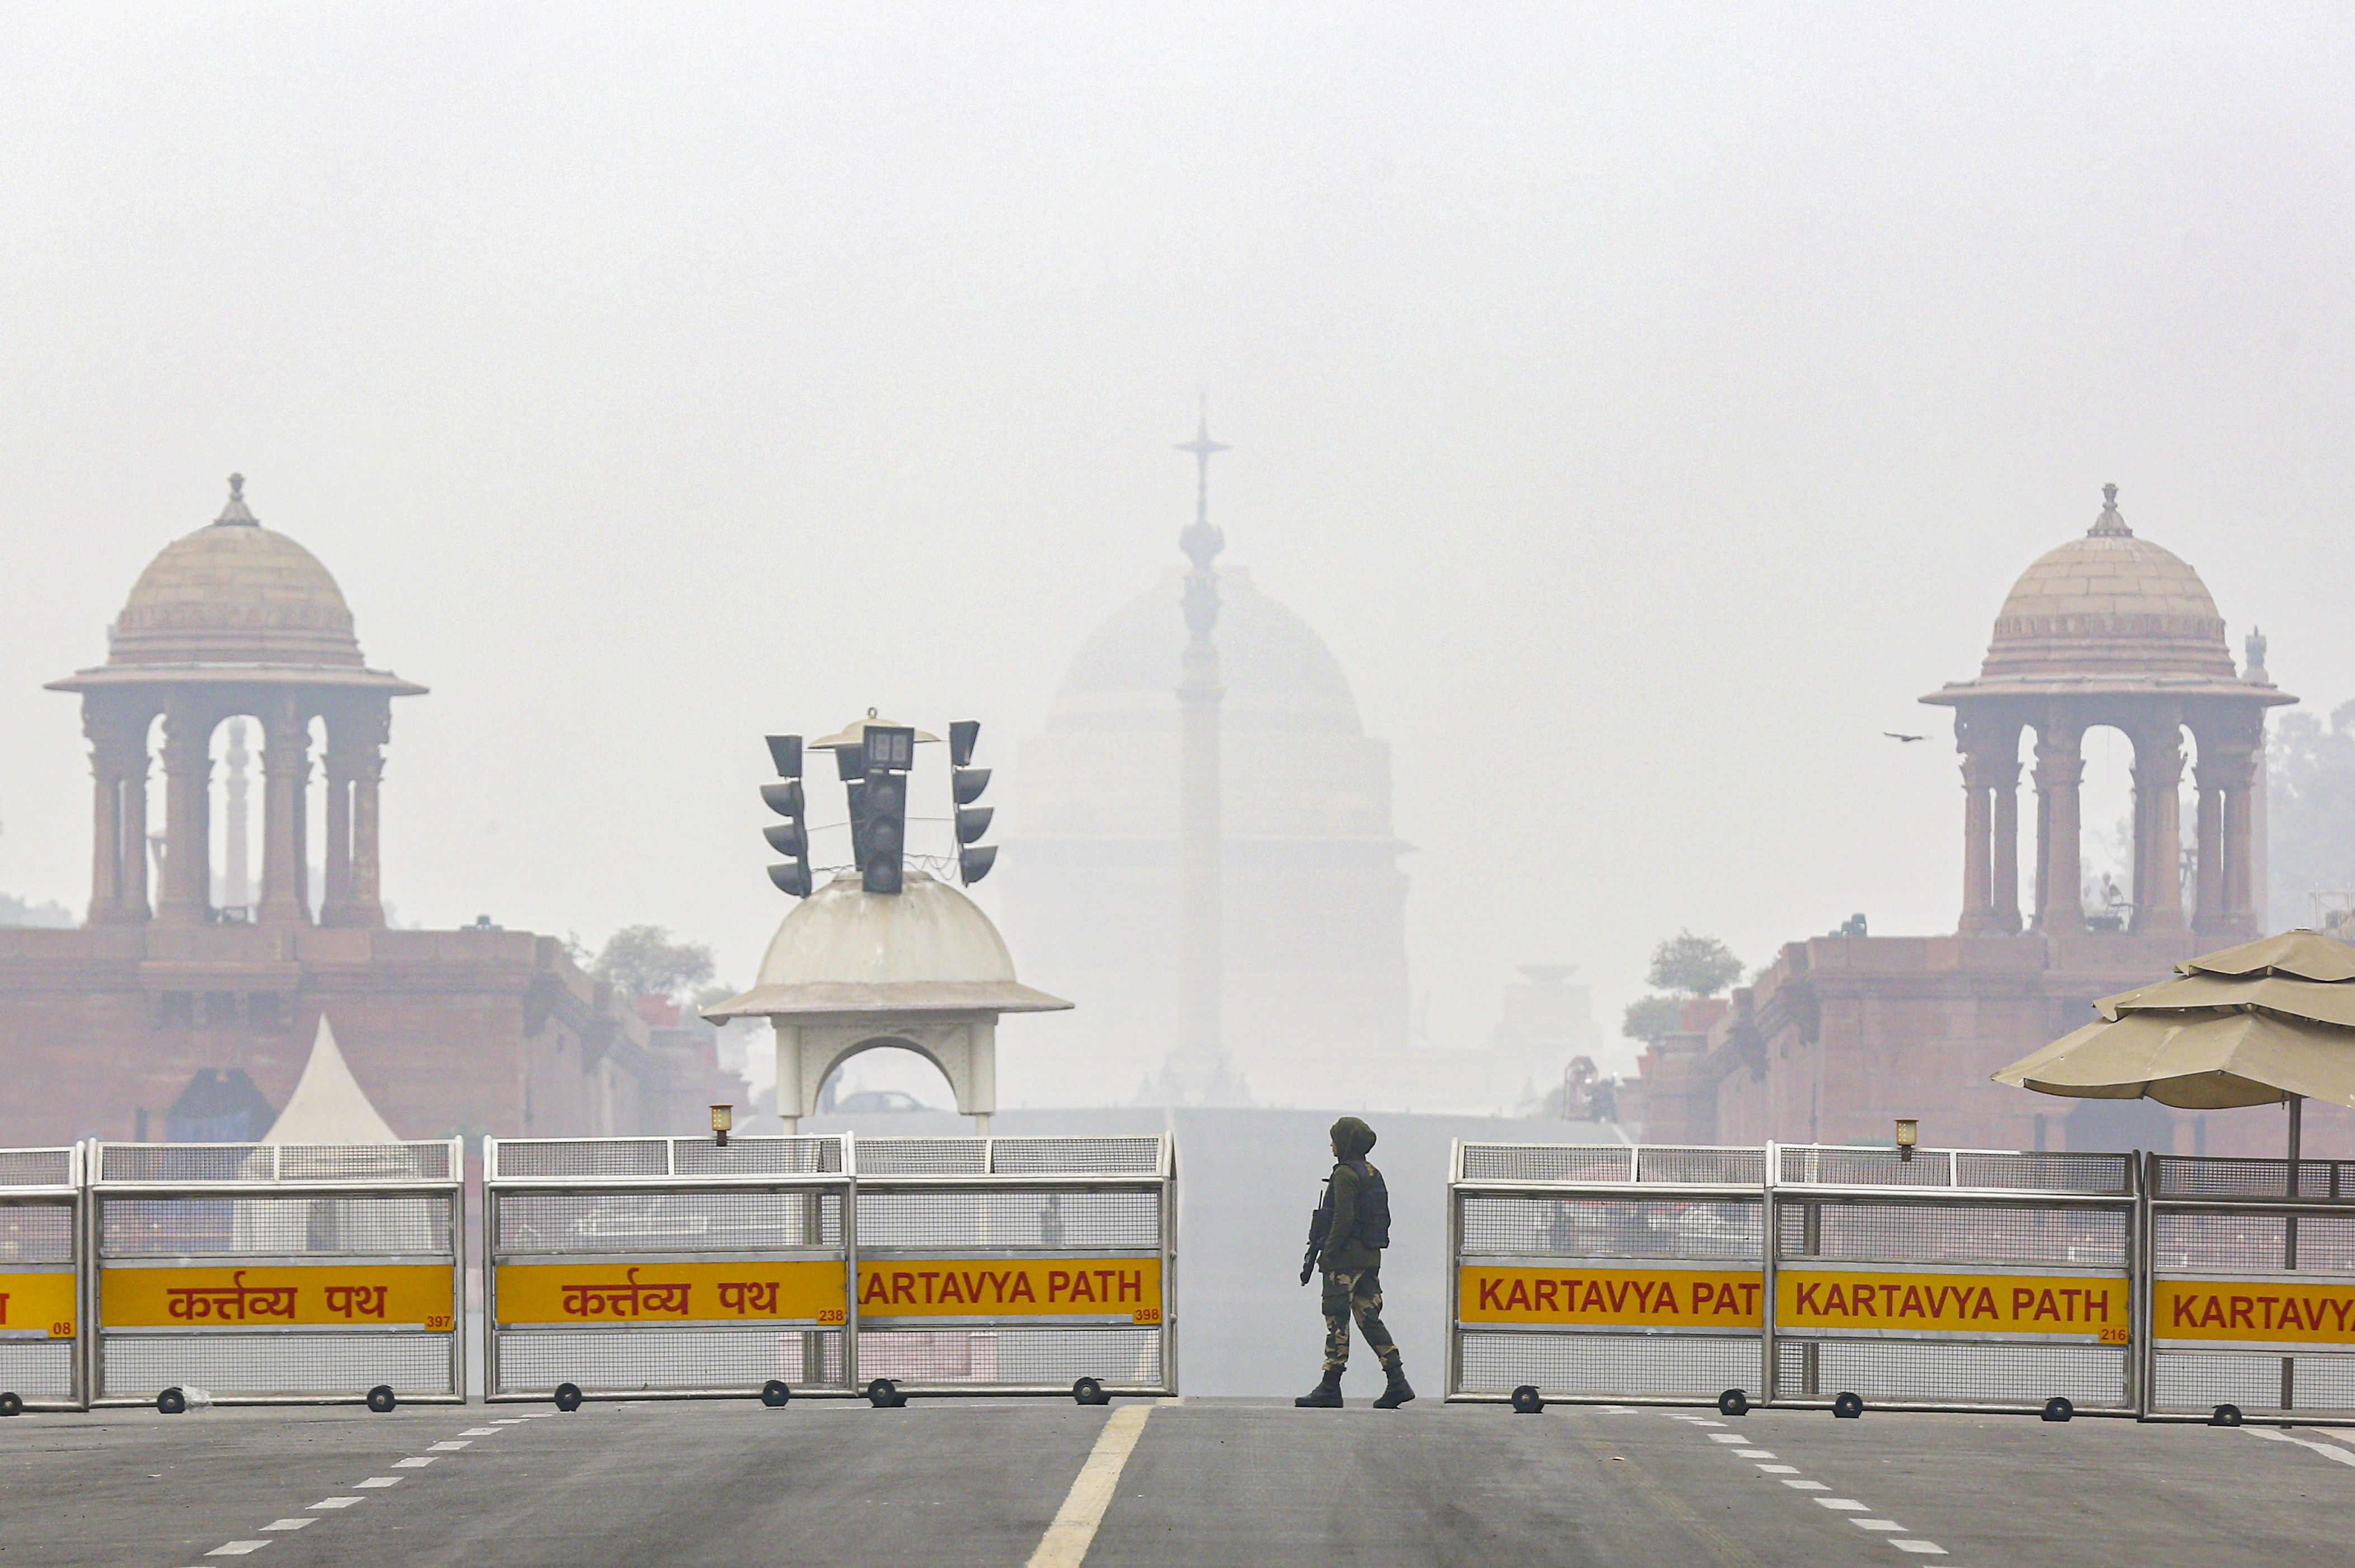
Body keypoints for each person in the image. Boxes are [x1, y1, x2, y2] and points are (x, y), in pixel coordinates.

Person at [1295, 1115, 1412, 1409]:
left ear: (1345, 1142)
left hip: (1344, 1262)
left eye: (1335, 1138)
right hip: (1370, 1259)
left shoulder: (1344, 1174)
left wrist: (1328, 1253)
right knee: (1370, 1318)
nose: (1331, 1144)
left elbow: (1342, 1218)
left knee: (1337, 1321)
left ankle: (1330, 1386)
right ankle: (1397, 1380)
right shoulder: (1373, 1173)